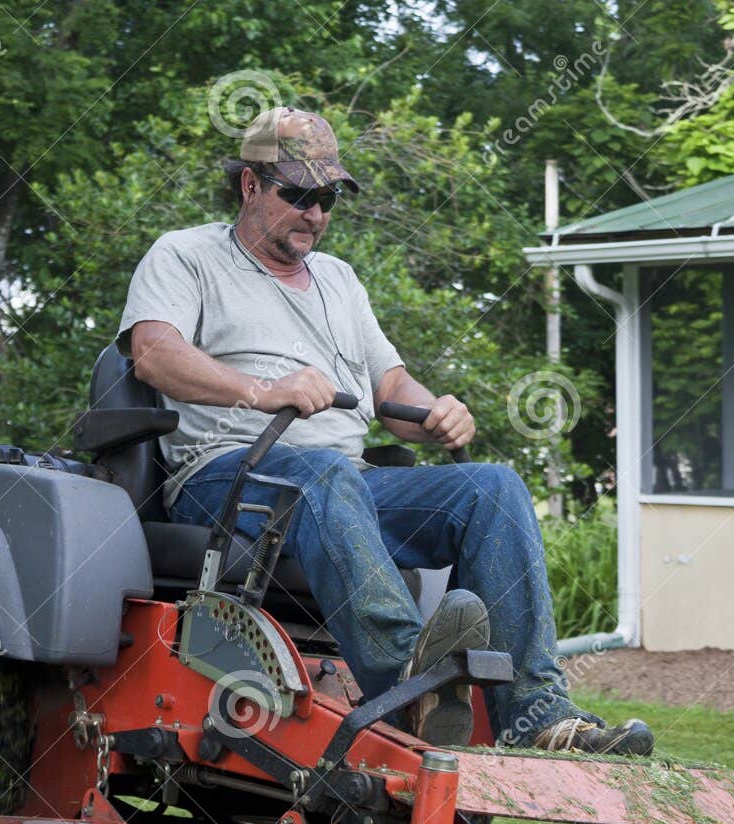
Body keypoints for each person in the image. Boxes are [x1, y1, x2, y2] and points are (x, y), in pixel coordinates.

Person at [118, 106, 652, 756]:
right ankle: (408, 685)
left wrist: (436, 413)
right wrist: (263, 391)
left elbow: (392, 389)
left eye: (328, 198)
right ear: (250, 185)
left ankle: (538, 714)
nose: (315, 213)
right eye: (298, 194)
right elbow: (154, 352)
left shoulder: (340, 281)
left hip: (342, 485)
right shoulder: (186, 256)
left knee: (493, 488)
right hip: (227, 478)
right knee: (326, 476)